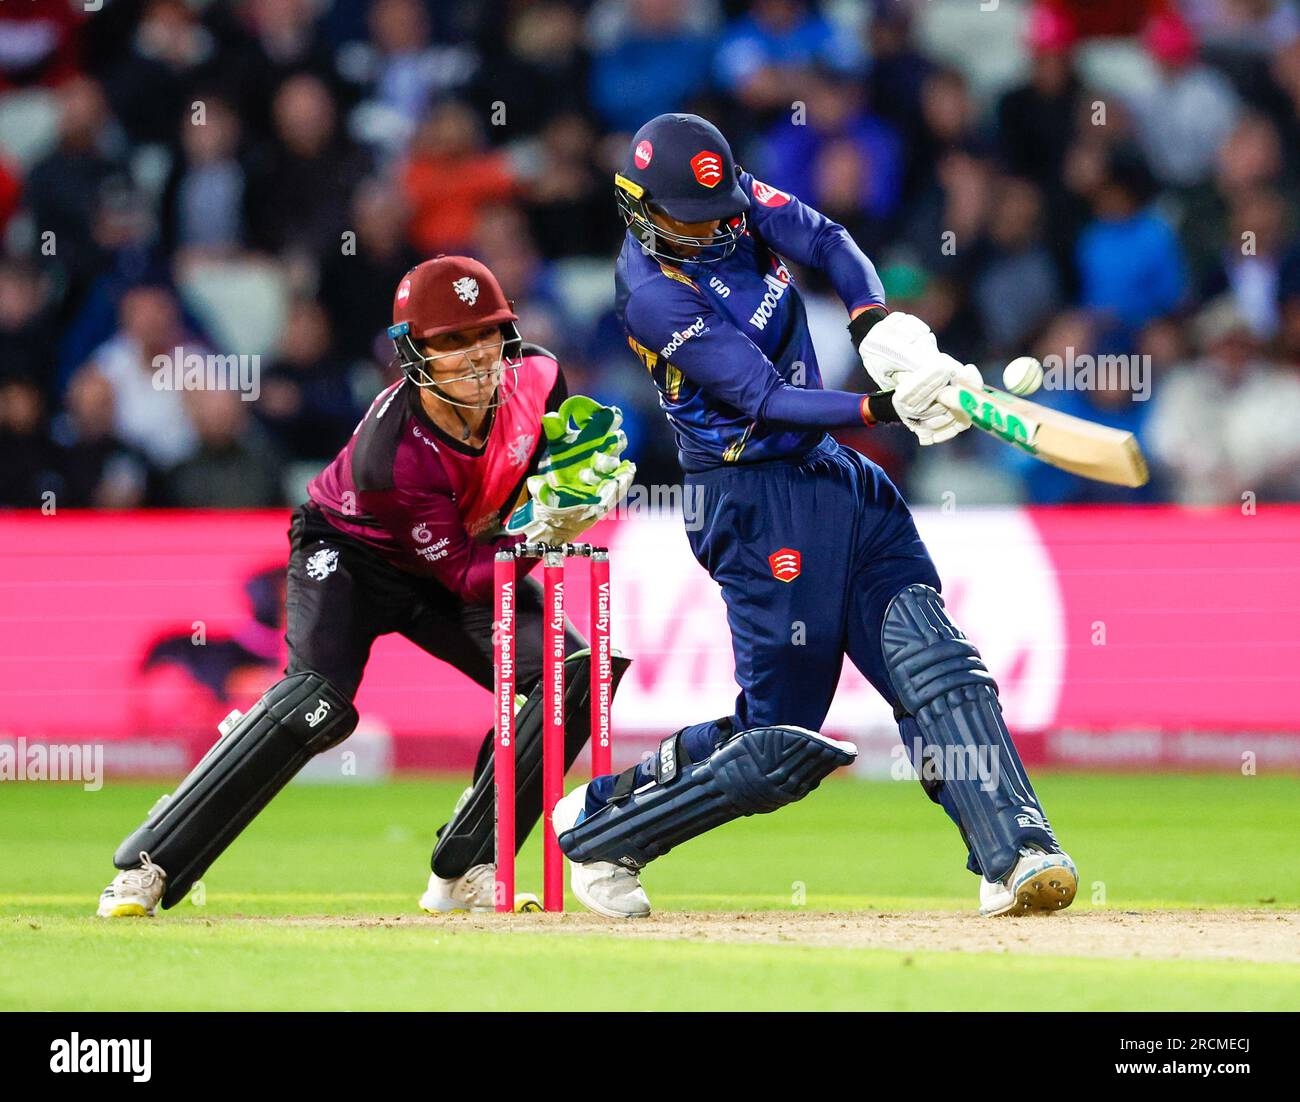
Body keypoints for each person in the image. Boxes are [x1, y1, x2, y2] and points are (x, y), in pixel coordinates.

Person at [552, 113, 1077, 920]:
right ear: (640, 211)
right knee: (777, 745)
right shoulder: (653, 295)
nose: (714, 228)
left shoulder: (728, 203)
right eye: (687, 220)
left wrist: (875, 321)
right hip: (752, 502)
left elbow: (829, 240)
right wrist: (887, 405)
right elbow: (766, 400)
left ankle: (1017, 852)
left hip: (833, 477)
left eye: (721, 209)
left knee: (935, 662)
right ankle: (603, 824)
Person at [97, 255, 633, 918]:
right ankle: (148, 864)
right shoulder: (394, 453)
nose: (475, 357)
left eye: (487, 335)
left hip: (460, 553)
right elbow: (469, 579)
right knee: (315, 704)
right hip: (352, 556)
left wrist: (576, 473)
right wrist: (545, 527)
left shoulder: (541, 377)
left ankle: (466, 866)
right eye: (451, 341)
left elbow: (550, 455)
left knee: (575, 673)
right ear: (414, 353)